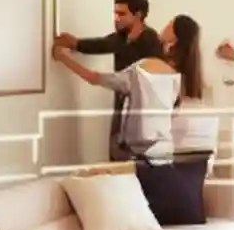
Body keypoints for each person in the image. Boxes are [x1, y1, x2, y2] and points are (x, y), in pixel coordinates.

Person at [53, 14, 205, 163]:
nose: (164, 26)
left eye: (169, 24)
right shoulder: (182, 76)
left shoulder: (147, 67)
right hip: (163, 152)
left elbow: (95, 78)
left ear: (174, 37)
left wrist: (62, 57)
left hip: (138, 153)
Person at [53, 0, 163, 160]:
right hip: (123, 110)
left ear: (138, 15)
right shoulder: (121, 38)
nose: (116, 18)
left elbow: (99, 72)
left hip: (144, 118)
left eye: (122, 13)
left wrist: (71, 50)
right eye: (115, 13)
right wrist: (75, 43)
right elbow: (102, 45)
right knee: (117, 159)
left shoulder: (150, 41)